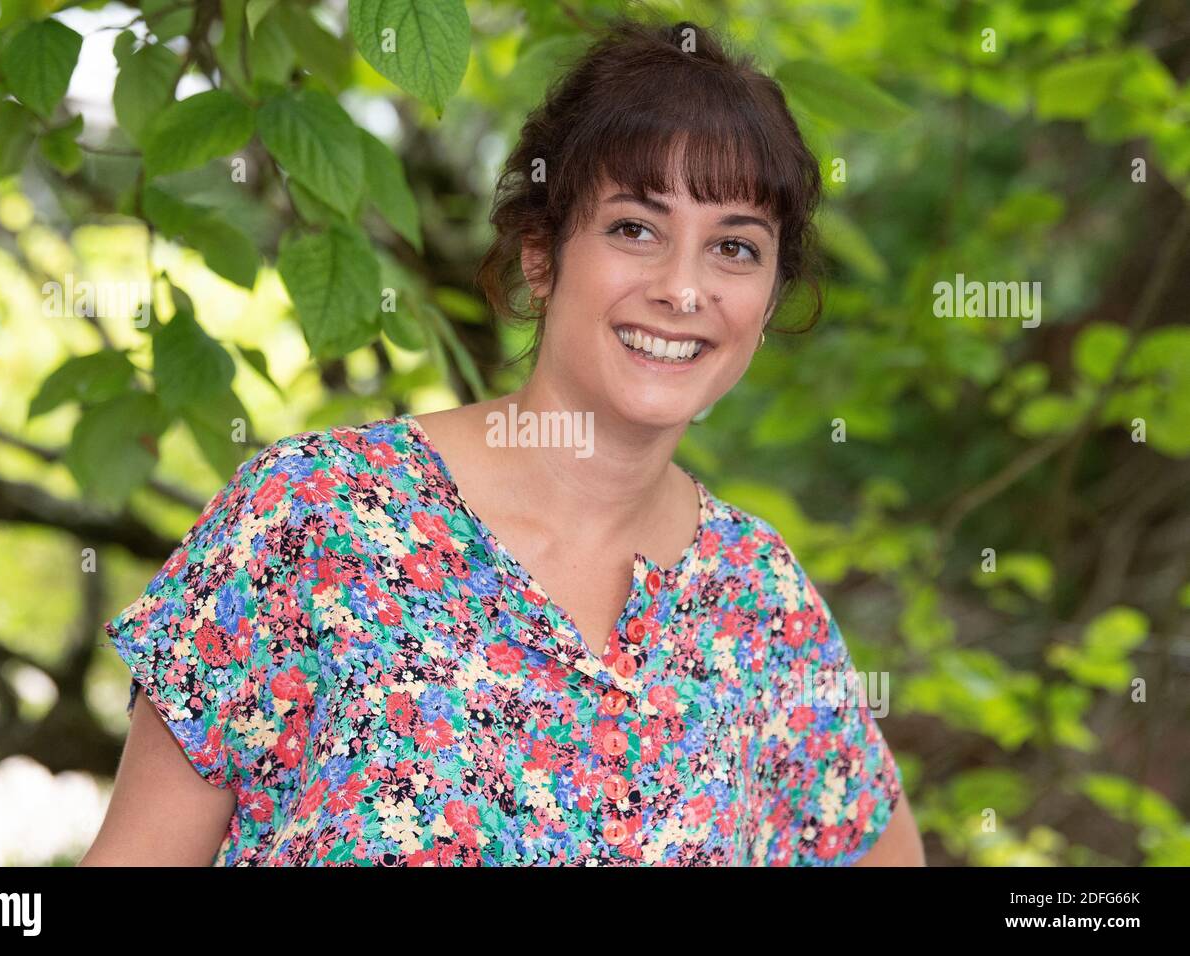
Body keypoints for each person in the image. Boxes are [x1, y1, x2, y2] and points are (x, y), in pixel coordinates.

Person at [81, 12, 924, 867]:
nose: (683, 288)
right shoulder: (312, 517)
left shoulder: (759, 599)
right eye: (635, 228)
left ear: (771, 298)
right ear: (541, 255)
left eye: (735, 248)